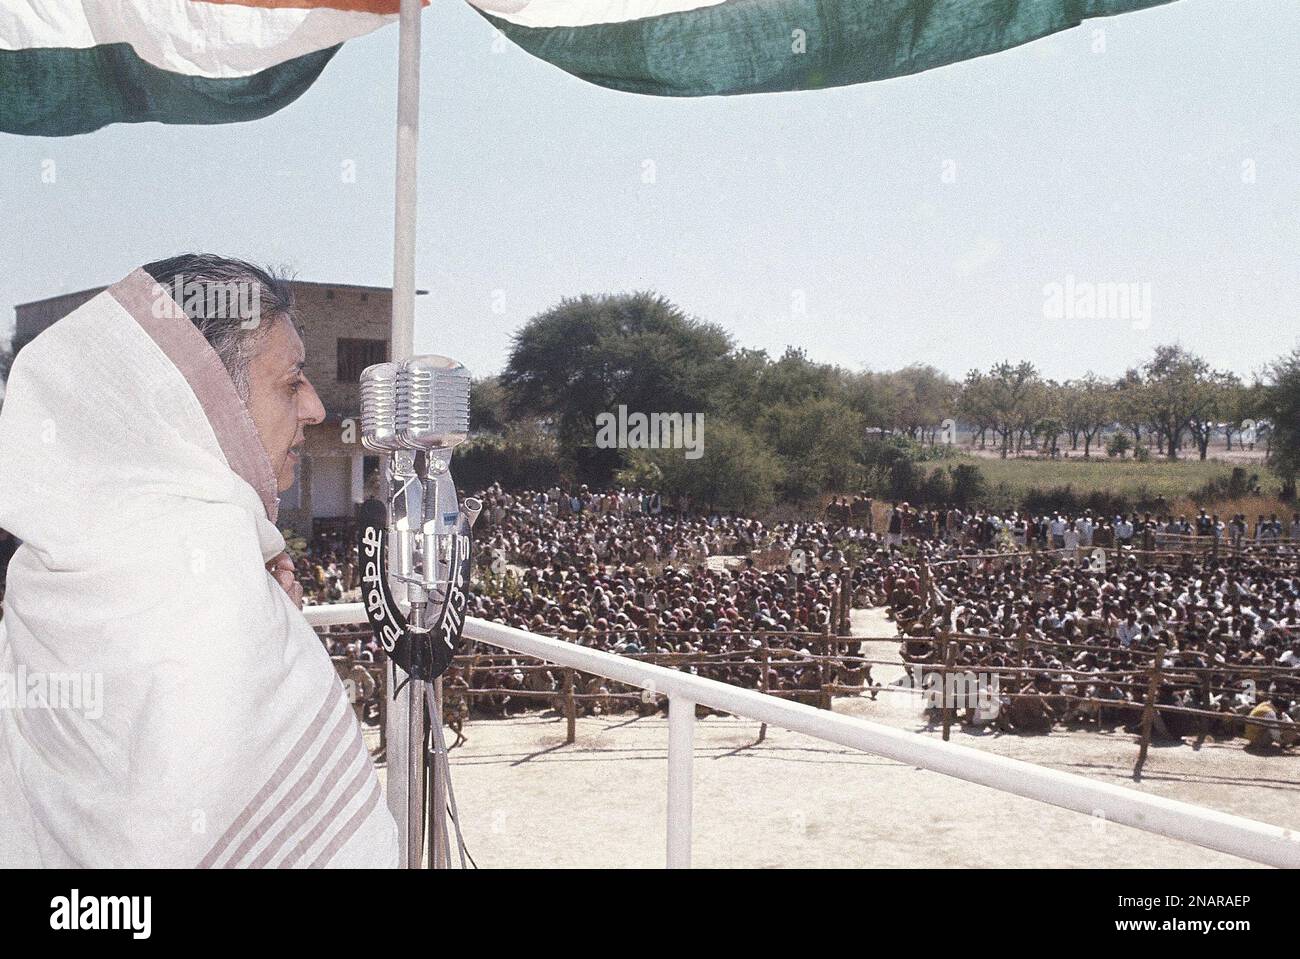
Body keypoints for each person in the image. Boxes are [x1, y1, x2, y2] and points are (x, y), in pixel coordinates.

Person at [0, 255, 398, 868]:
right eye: (292, 382)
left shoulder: (44, 570)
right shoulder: (207, 573)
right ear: (204, 404)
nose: (316, 408)